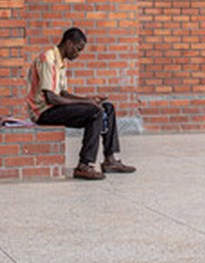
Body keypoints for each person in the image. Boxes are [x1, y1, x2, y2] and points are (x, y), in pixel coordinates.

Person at [27, 27, 136, 181]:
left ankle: (110, 160)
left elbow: (63, 93)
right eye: (78, 49)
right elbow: (51, 98)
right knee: (95, 112)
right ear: (69, 43)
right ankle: (84, 165)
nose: (78, 54)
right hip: (44, 112)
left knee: (107, 108)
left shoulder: (61, 62)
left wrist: (88, 99)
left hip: (56, 107)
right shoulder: (48, 59)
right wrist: (88, 104)